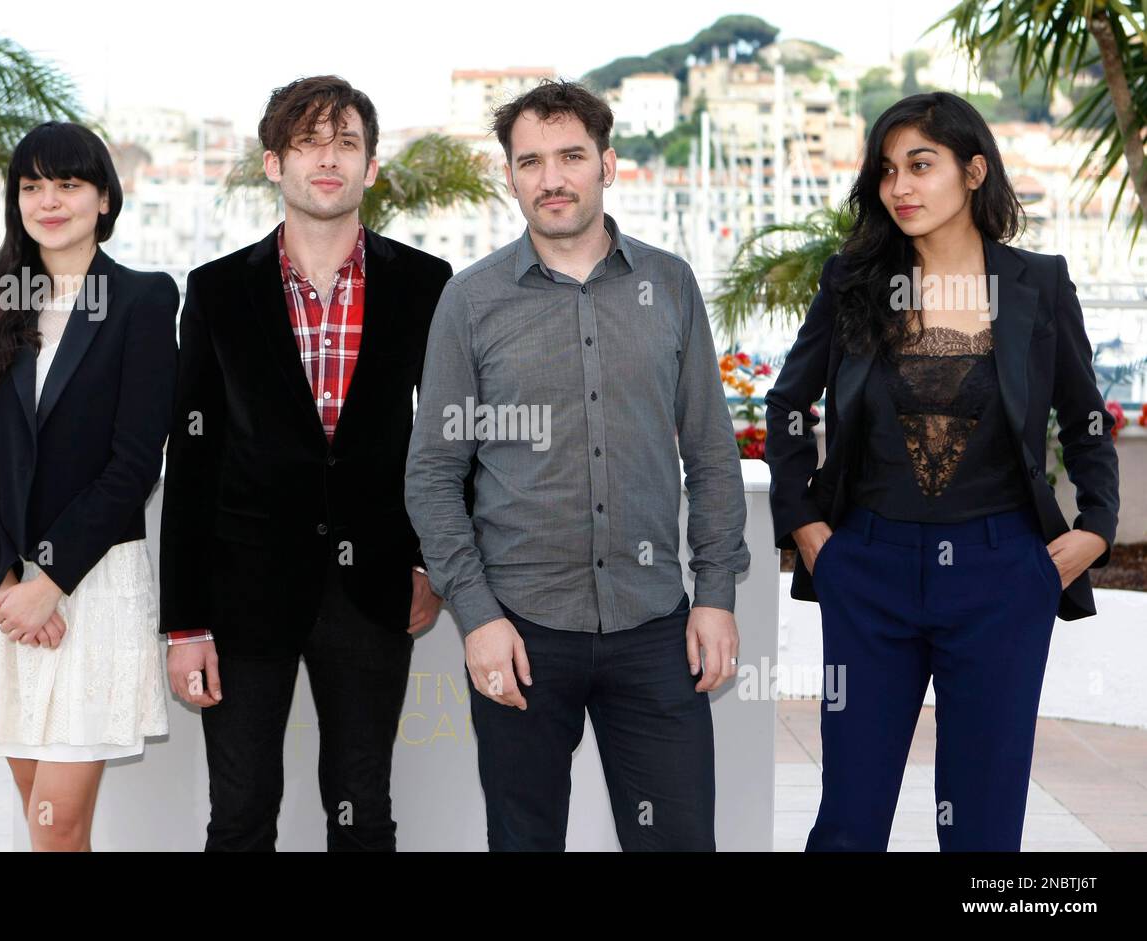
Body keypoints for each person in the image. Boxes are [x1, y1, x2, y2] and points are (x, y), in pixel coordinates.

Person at [763, 92, 1120, 852]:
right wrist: (808, 527)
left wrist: (1096, 528)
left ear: (975, 170)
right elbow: (788, 404)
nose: (901, 187)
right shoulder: (852, 280)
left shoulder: (1039, 285)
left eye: (921, 165)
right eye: (888, 170)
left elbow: (1087, 416)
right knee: (850, 820)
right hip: (867, 571)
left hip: (1002, 576)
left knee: (985, 827)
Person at [405, 79, 750, 852]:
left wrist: (716, 593)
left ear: (608, 164)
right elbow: (431, 471)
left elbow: (711, 452)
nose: (551, 178)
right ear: (512, 177)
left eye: (570, 156)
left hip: (656, 627)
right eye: (530, 162)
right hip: (521, 630)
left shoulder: (671, 285)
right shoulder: (470, 301)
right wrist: (478, 616)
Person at [159, 75, 453, 851]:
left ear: (371, 166)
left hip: (376, 588)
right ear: (272, 164)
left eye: (346, 142)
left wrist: (432, 564)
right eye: (308, 142)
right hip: (242, 593)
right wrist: (184, 622)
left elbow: (449, 441)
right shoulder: (218, 291)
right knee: (242, 812)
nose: (328, 158)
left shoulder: (425, 284)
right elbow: (191, 459)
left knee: (363, 808)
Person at [0, 121, 179, 851]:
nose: (50, 200)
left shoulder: (141, 299)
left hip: (93, 585)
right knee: (37, 809)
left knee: (59, 818)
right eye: (32, 184)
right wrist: (9, 579)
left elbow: (135, 462)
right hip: (1, 591)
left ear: (104, 197)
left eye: (69, 183)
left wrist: (53, 578)